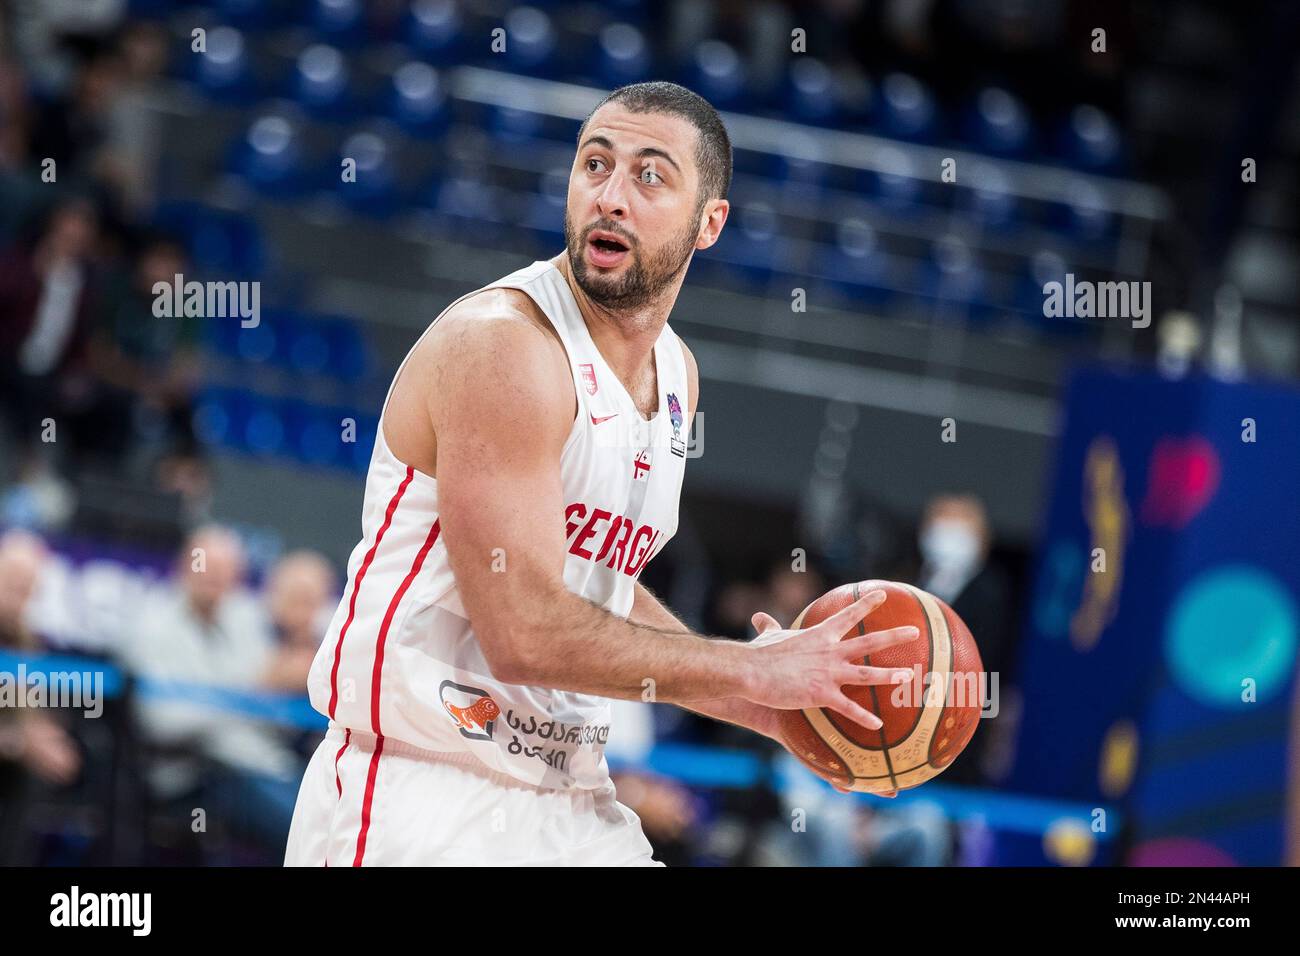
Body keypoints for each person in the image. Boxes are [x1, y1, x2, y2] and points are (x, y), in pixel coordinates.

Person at [285, 81, 920, 867]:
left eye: (651, 175)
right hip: (424, 793)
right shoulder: (504, 348)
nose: (611, 196)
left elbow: (597, 590)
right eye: (595, 165)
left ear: (709, 222)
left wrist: (765, 704)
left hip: (571, 799)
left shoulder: (677, 375)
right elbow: (523, 630)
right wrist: (747, 666)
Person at [120, 525, 303, 860]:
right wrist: (243, 697)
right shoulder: (152, 625)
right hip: (199, 774)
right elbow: (160, 721)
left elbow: (275, 709)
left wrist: (226, 698)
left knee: (331, 815)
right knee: (302, 834)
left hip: (264, 762)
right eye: (204, 567)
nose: (213, 578)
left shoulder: (247, 619)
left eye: (223, 572)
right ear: (183, 567)